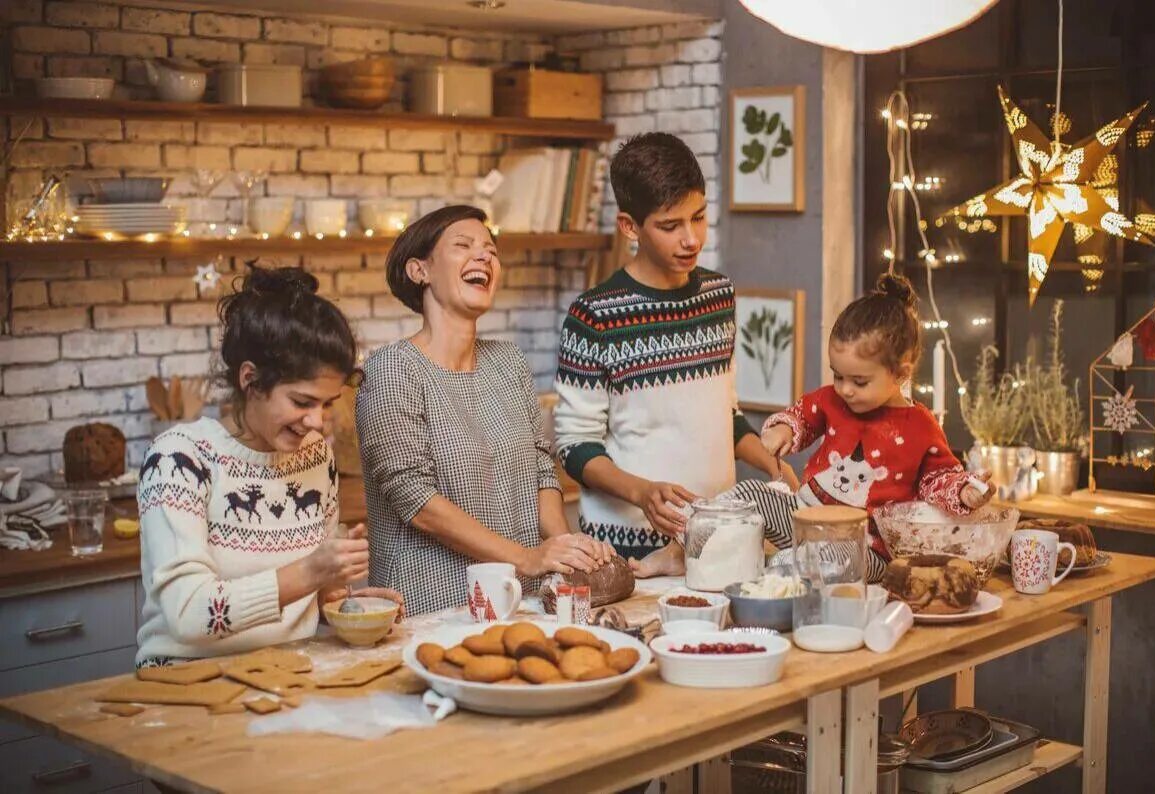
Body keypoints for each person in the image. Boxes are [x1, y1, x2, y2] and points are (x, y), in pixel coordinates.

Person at [135, 267, 402, 668]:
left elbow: (309, 597)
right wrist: (312, 572)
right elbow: (188, 615)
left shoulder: (314, 455)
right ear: (250, 379)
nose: (317, 422)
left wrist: (346, 604)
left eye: (327, 403)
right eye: (301, 402)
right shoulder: (178, 459)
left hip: (288, 672)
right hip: (184, 682)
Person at [554, 132, 794, 577]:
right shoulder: (594, 316)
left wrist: (768, 460)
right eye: (670, 226)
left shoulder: (719, 294)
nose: (691, 239)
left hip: (719, 539)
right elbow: (574, 448)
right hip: (625, 550)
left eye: (699, 217)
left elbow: (726, 413)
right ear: (630, 226)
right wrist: (644, 492)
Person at [357, 204, 613, 616]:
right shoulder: (390, 369)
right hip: (432, 609)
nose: (484, 256)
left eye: (491, 250)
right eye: (463, 245)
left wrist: (565, 556)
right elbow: (417, 501)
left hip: (523, 600)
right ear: (419, 270)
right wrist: (526, 558)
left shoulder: (508, 362)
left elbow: (540, 470)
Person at [734, 272, 995, 581]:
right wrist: (784, 429)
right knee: (748, 492)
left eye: (859, 381)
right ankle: (696, 539)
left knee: (835, 558)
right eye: (838, 375)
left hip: (865, 549)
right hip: (804, 518)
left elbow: (939, 478)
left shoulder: (920, 427)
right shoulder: (833, 400)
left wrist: (964, 491)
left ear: (900, 373)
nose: (845, 389)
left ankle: (784, 567)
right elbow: (802, 416)